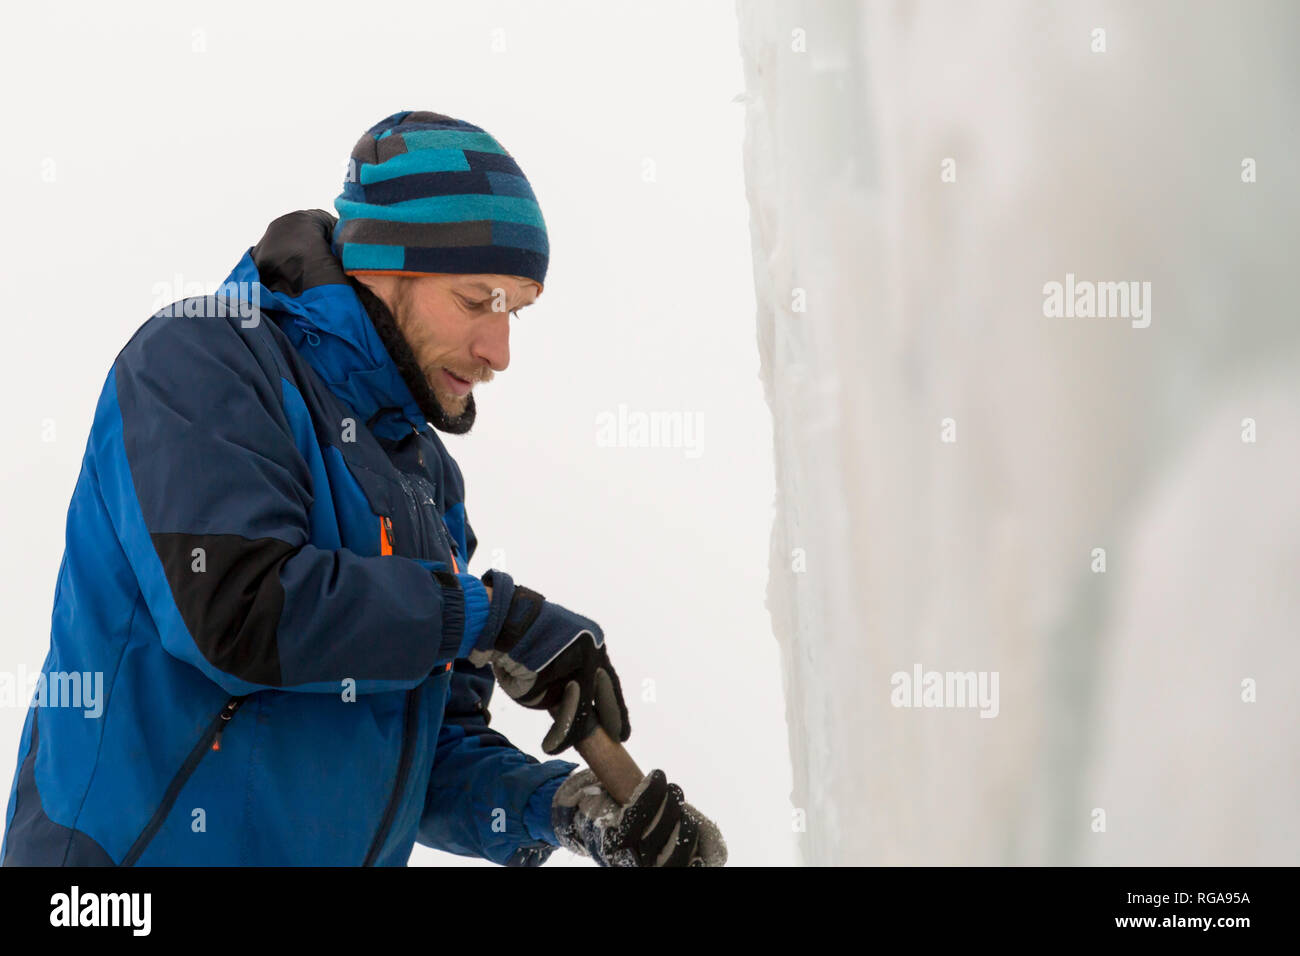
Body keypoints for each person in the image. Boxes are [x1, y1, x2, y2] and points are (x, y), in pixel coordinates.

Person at [1, 109, 725, 867]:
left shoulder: (424, 479)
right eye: (479, 301)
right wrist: (493, 620)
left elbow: (420, 749)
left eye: (518, 311)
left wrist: (561, 808)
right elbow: (239, 613)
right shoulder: (202, 360)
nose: (499, 350)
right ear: (381, 265)